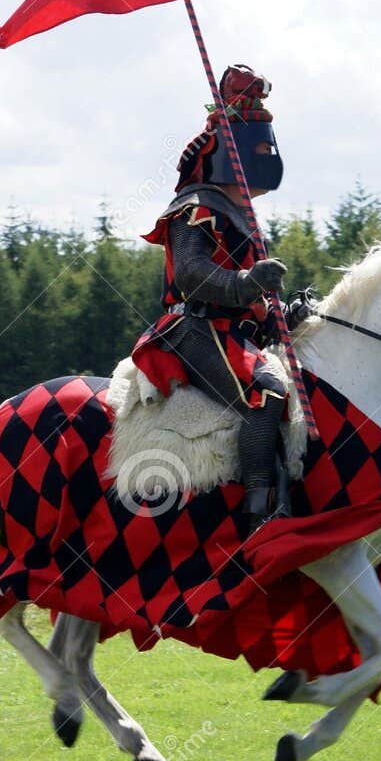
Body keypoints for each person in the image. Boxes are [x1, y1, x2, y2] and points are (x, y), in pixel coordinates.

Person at [130, 65, 292, 538]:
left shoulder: (243, 215)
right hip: (196, 329)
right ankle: (258, 520)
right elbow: (192, 275)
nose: (267, 153)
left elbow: (252, 291)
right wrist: (246, 283)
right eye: (258, 145)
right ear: (233, 151)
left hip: (237, 332)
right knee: (267, 394)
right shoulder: (195, 204)